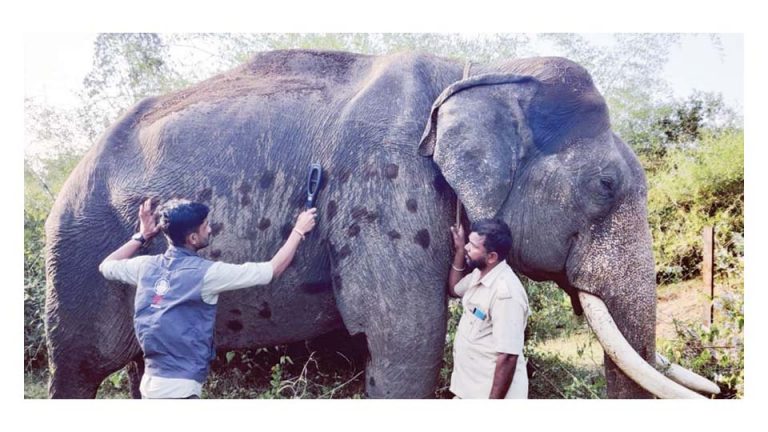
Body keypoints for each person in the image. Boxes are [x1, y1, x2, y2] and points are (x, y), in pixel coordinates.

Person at [98, 197, 317, 399]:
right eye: (205, 227)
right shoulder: (207, 275)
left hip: (151, 384)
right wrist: (299, 230)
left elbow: (106, 265)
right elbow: (271, 270)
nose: (210, 229)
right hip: (180, 390)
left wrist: (141, 236)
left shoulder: (145, 266)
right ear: (192, 238)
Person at [447, 219, 530, 399]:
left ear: (491, 257)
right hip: (469, 391)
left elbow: (508, 356)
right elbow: (454, 289)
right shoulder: (479, 273)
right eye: (468, 242)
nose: (468, 247)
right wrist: (461, 250)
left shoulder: (506, 294)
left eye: (473, 246)